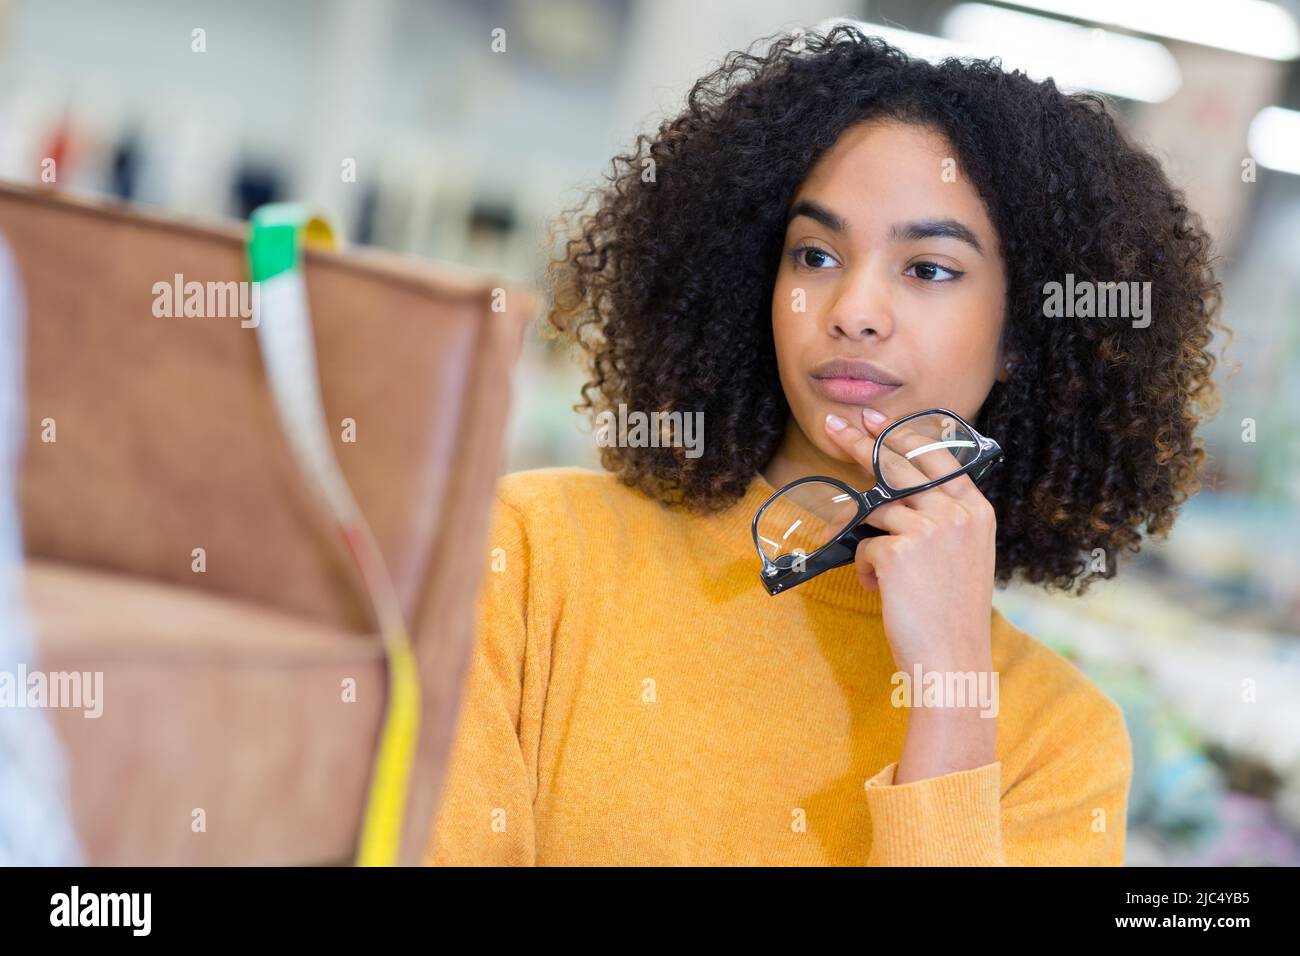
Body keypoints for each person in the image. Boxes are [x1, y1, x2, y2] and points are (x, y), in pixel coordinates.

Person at [426, 26, 1224, 866]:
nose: (853, 308)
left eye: (929, 268)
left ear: (1024, 332)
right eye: (814, 255)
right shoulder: (531, 552)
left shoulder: (1061, 741)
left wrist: (951, 687)